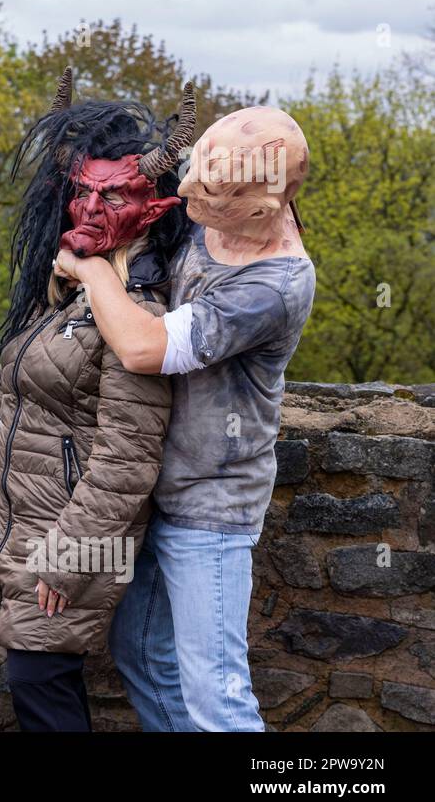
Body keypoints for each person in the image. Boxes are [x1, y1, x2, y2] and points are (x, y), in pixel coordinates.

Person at [0, 69, 194, 731]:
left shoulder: (133, 315)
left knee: (39, 679)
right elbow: (10, 393)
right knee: (38, 682)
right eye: (81, 191)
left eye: (111, 196)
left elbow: (127, 457)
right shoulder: (63, 296)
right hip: (20, 522)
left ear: (154, 206)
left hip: (63, 533)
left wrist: (72, 555)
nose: (89, 208)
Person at [56, 105, 316, 732]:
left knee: (215, 692)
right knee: (142, 655)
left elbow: (144, 348)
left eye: (211, 193)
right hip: (153, 491)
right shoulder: (212, 216)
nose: (189, 198)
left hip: (212, 505)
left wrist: (91, 271)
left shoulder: (273, 285)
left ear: (263, 204)